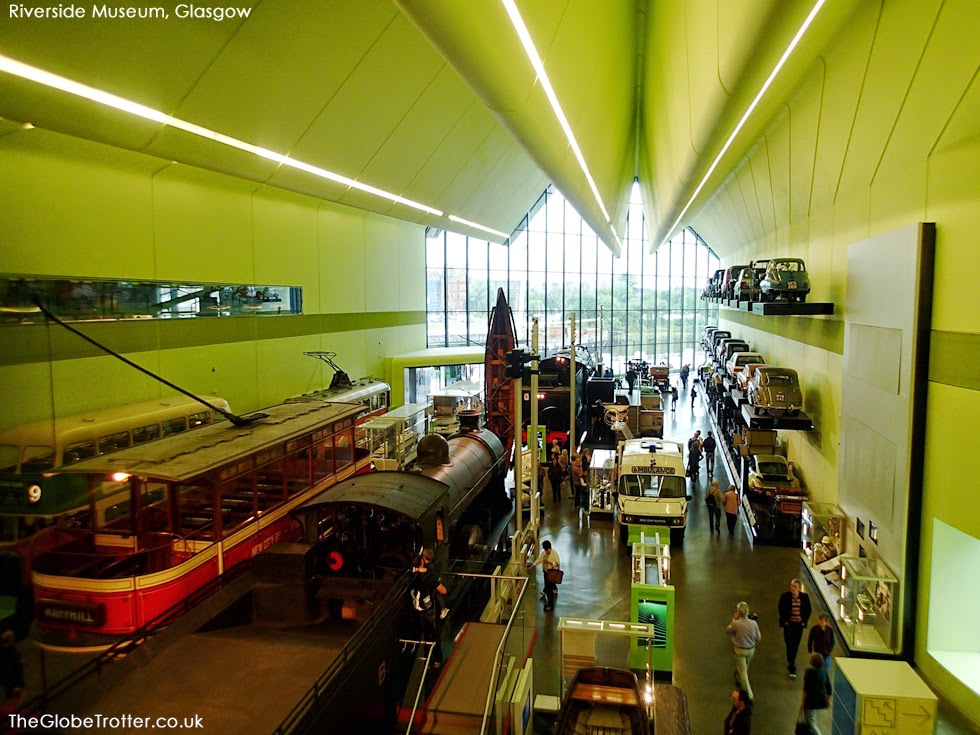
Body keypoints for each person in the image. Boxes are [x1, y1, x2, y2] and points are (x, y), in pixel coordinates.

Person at [410, 554, 448, 667]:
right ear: (422, 561)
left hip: (419, 609)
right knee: (435, 635)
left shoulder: (413, 575)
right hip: (429, 610)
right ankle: (437, 660)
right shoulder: (429, 577)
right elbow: (443, 590)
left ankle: (428, 660)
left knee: (426, 635)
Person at [727, 602, 762, 701]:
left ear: (738, 612)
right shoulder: (754, 624)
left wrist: (733, 619)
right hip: (751, 650)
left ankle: (749, 695)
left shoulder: (735, 623)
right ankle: (738, 674)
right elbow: (759, 638)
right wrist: (754, 645)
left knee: (743, 672)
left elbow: (728, 630)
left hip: (739, 650)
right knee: (745, 668)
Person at [778, 578, 812, 678]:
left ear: (799, 588)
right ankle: (791, 659)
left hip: (798, 625)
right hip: (789, 624)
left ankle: (791, 663)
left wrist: (803, 621)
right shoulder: (785, 596)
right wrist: (785, 621)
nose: (793, 588)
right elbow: (781, 608)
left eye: (795, 587)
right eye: (792, 586)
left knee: (795, 644)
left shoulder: (804, 597)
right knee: (788, 642)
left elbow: (808, 610)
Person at [801, 653, 832, 735]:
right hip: (821, 700)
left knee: (811, 723)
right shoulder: (823, 672)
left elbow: (806, 689)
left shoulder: (809, 672)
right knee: (808, 719)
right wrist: (828, 700)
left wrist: (802, 702)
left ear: (812, 662)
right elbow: (829, 687)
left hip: (811, 701)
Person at [529, 540, 561, 611]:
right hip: (546, 573)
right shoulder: (544, 553)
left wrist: (549, 562)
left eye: (547, 550)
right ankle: (548, 590)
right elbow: (539, 560)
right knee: (547, 585)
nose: (546, 551)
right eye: (545, 550)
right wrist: (532, 566)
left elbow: (557, 563)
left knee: (549, 590)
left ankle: (550, 605)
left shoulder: (554, 553)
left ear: (550, 548)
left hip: (551, 573)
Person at [0, 630, 24, 701]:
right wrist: (16, 685)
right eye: (12, 638)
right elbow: (10, 668)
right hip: (13, 681)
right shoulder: (10, 652)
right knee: (17, 698)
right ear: (9, 640)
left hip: (7, 681)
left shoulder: (5, 649)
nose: (14, 639)